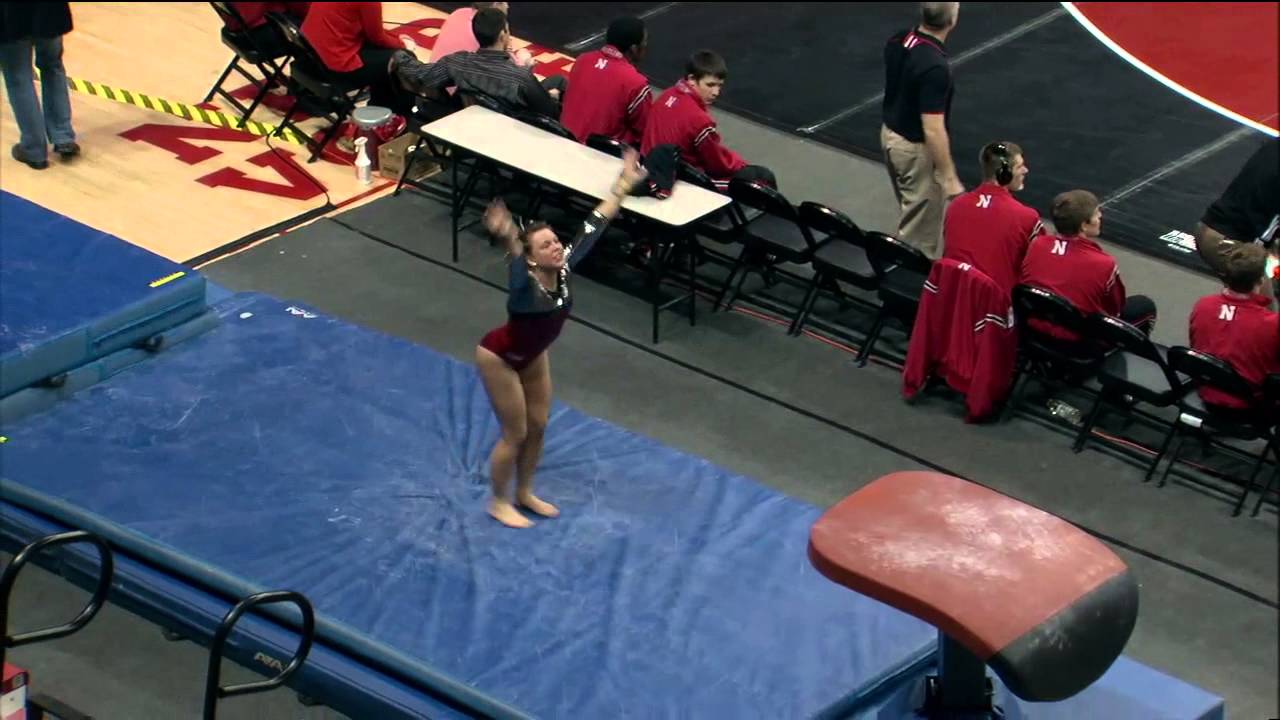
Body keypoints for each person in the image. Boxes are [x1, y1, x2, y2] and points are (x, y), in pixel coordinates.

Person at [476, 149, 648, 528]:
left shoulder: (565, 268)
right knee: (515, 433)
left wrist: (623, 184)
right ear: (533, 257)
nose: (556, 247)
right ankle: (499, 501)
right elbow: (517, 260)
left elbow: (596, 222)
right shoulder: (525, 286)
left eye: (556, 241)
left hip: (535, 354)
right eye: (546, 246)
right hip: (500, 357)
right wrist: (508, 234)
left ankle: (524, 491)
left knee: (539, 425)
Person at [880, 2, 964, 259]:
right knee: (919, 238)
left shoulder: (900, 38)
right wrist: (949, 177)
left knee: (911, 211)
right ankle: (906, 290)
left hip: (891, 135)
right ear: (952, 20)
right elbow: (933, 129)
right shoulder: (935, 67)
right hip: (915, 151)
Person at [1020, 190, 1157, 338]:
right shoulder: (1104, 263)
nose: (1100, 216)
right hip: (1079, 342)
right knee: (1144, 306)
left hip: (1033, 328)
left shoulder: (1037, 244)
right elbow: (1114, 309)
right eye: (1096, 213)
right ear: (1084, 225)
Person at [641, 50, 776, 190]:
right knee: (761, 177)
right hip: (682, 180)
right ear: (692, 80)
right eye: (710, 85)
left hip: (652, 167)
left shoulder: (666, 94)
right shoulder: (700, 120)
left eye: (719, 85)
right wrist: (742, 164)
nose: (716, 92)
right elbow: (718, 165)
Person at [392, 8, 560, 119]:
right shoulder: (520, 77)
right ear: (503, 35)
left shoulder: (458, 62)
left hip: (474, 123)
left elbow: (420, 74)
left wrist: (402, 51)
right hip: (510, 132)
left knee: (557, 80)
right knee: (560, 84)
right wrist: (552, 98)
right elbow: (549, 115)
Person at [942, 141, 1043, 295]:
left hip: (951, 295)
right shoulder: (1027, 217)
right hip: (994, 306)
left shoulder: (956, 205)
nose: (1025, 170)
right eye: (1019, 167)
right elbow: (1039, 269)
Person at [1188, 243, 1280, 409]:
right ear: (1260, 280)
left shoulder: (1203, 305)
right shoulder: (1272, 324)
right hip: (1249, 406)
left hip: (1205, 390)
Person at [1195, 138, 1279, 302]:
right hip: (1227, 241)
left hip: (1215, 229)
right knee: (1262, 309)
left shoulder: (1274, 145)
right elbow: (1265, 238)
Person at [0, 1, 78, 170]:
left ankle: (34, 149)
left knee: (18, 78)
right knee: (53, 66)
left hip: (10, 17)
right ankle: (63, 137)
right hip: (48, 11)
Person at [560, 16, 651, 146]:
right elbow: (644, 131)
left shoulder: (582, 60)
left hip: (562, 141)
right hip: (598, 154)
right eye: (645, 42)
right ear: (634, 49)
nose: (646, 46)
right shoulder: (637, 83)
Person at [299, 1, 408, 109]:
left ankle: (379, 110)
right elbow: (377, 37)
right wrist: (402, 44)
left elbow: (372, 30)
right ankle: (387, 116)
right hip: (334, 65)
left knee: (386, 55)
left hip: (310, 55)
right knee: (402, 58)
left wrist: (396, 38)